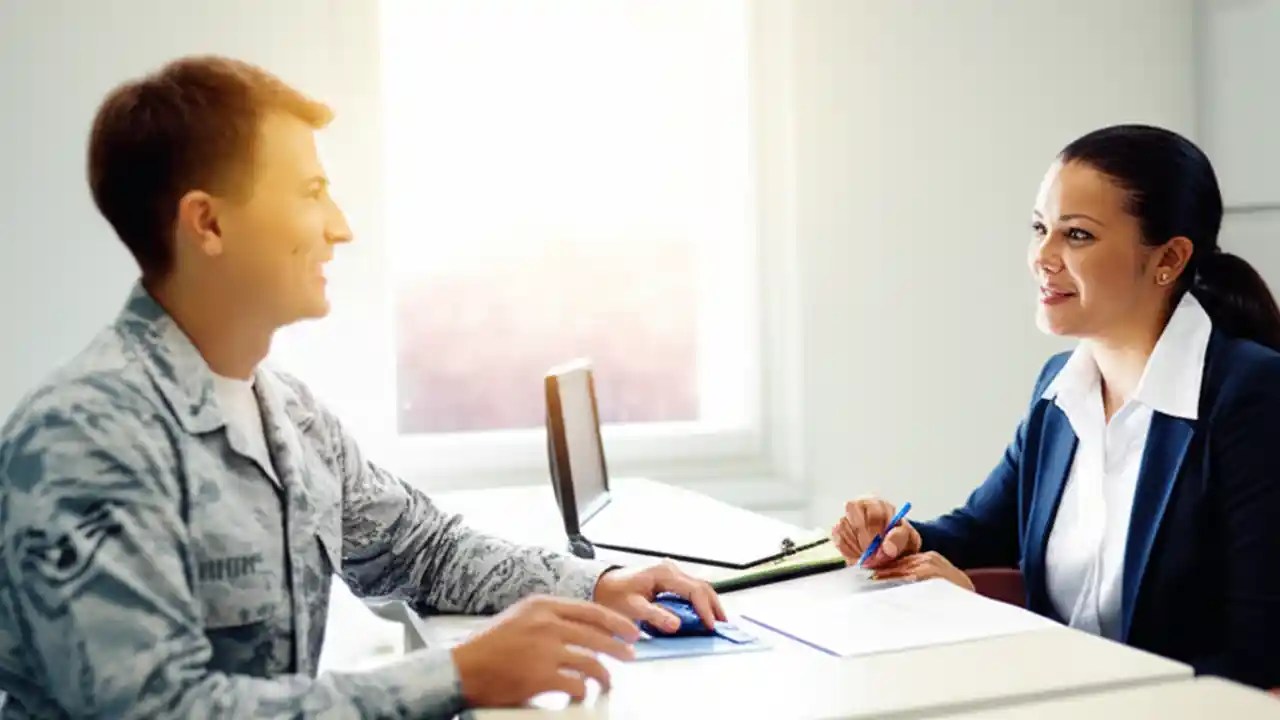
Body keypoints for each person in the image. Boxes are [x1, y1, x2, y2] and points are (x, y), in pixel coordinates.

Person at [0, 55, 725, 719]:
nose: (340, 228)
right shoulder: (82, 440)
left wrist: (598, 588)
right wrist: (456, 676)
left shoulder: (288, 413)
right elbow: (154, 711)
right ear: (208, 223)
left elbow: (424, 551)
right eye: (312, 193)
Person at [832, 124, 1280, 690]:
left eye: (1078, 236)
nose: (1043, 257)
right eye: (1040, 228)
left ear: (1168, 257)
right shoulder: (1060, 391)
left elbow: (1257, 656)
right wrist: (899, 539)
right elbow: (981, 531)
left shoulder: (1252, 397)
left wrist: (1003, 632)